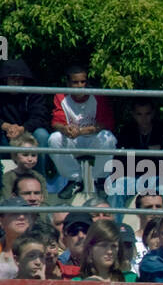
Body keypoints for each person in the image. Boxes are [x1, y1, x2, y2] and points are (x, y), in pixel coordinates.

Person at [0, 59, 52, 204]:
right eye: (13, 79)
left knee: (42, 135)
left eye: (20, 79)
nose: (17, 82)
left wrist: (22, 129)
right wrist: (6, 127)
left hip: (28, 136)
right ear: (5, 79)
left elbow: (40, 116)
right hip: (4, 136)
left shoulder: (33, 92)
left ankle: (38, 184)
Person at [48, 64, 117, 201]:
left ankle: (100, 180)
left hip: (93, 139)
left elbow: (106, 124)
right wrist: (65, 129)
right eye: (75, 82)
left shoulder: (97, 95)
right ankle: (75, 180)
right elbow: (56, 122)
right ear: (68, 83)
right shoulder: (61, 96)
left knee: (108, 138)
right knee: (54, 139)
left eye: (83, 82)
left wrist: (81, 131)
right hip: (73, 139)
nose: (80, 86)